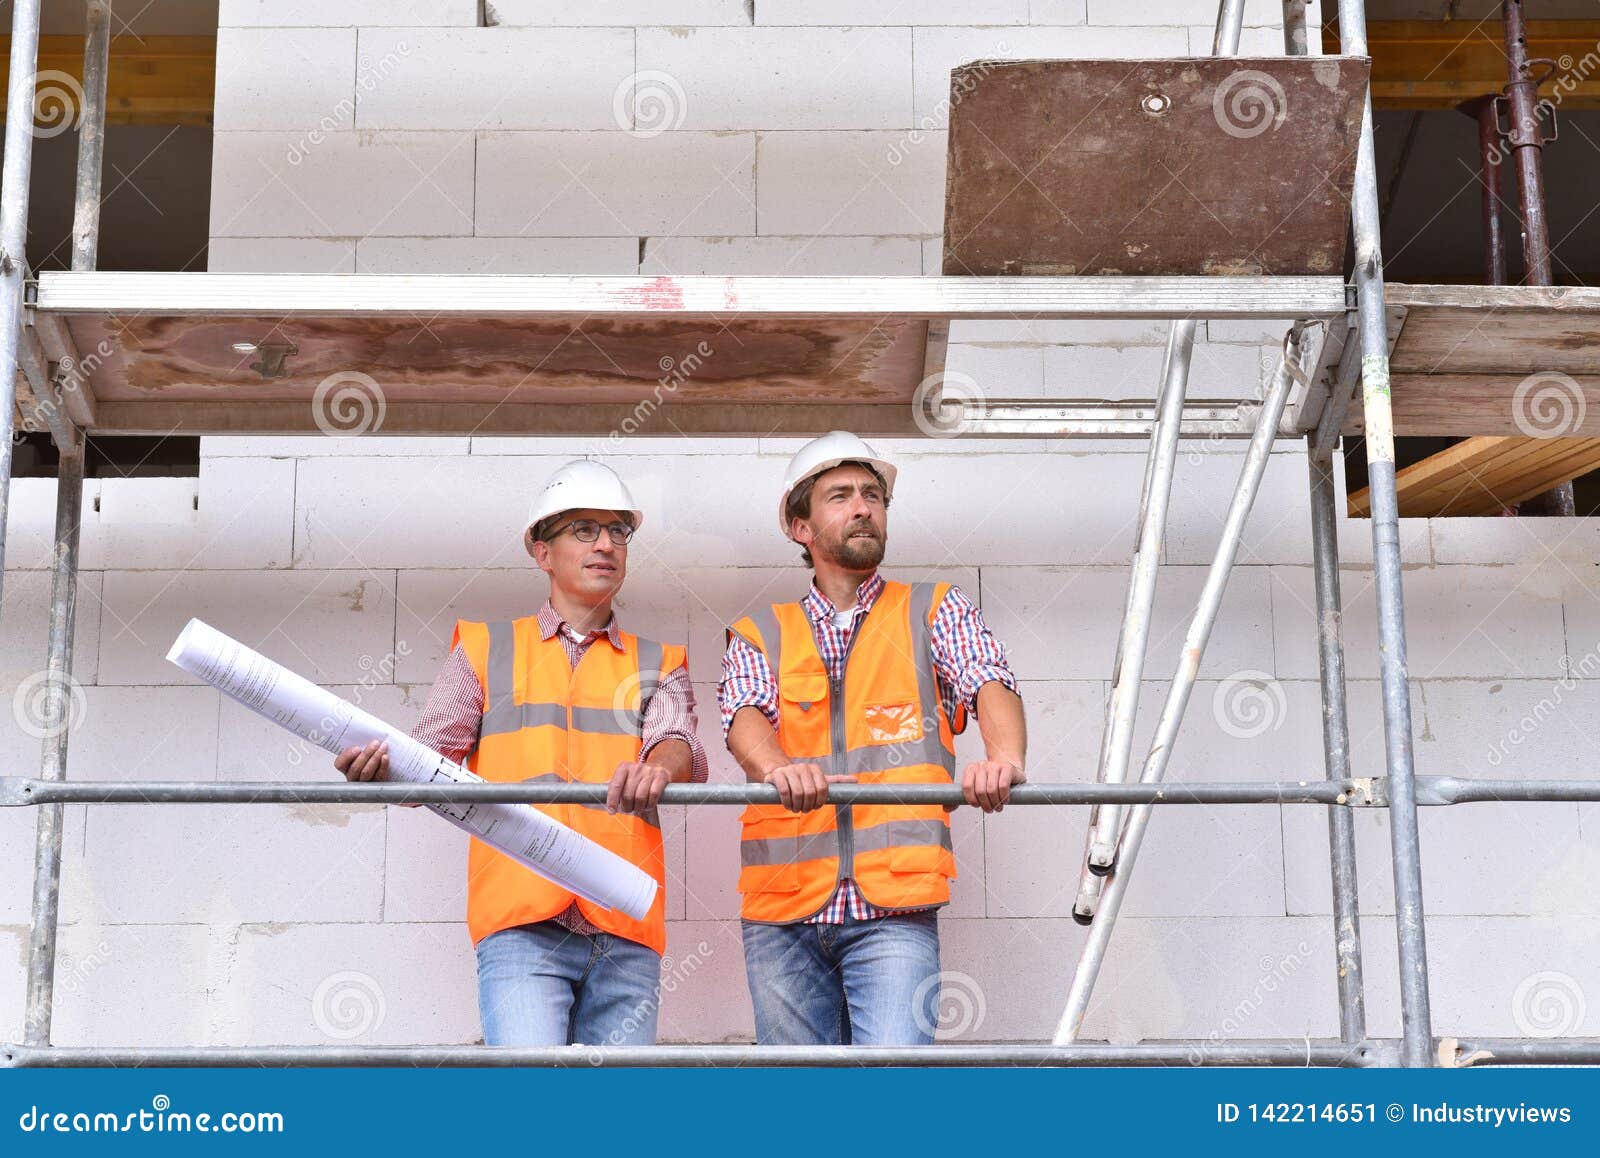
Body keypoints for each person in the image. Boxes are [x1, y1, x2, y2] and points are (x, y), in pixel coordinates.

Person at [336, 460, 707, 1047]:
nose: (606, 543)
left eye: (618, 530)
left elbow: (678, 743)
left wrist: (657, 766)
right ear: (542, 551)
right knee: (531, 1123)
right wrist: (383, 770)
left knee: (620, 1131)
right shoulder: (486, 649)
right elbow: (428, 758)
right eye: (584, 529)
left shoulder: (659, 660)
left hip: (625, 924)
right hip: (523, 923)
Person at [719, 431, 1026, 1045]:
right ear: (801, 527)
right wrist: (778, 766)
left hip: (893, 912)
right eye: (840, 496)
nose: (863, 507)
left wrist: (1005, 757)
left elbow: (988, 678)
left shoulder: (934, 609)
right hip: (784, 912)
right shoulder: (759, 631)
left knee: (894, 1099)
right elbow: (743, 717)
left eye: (872, 495)